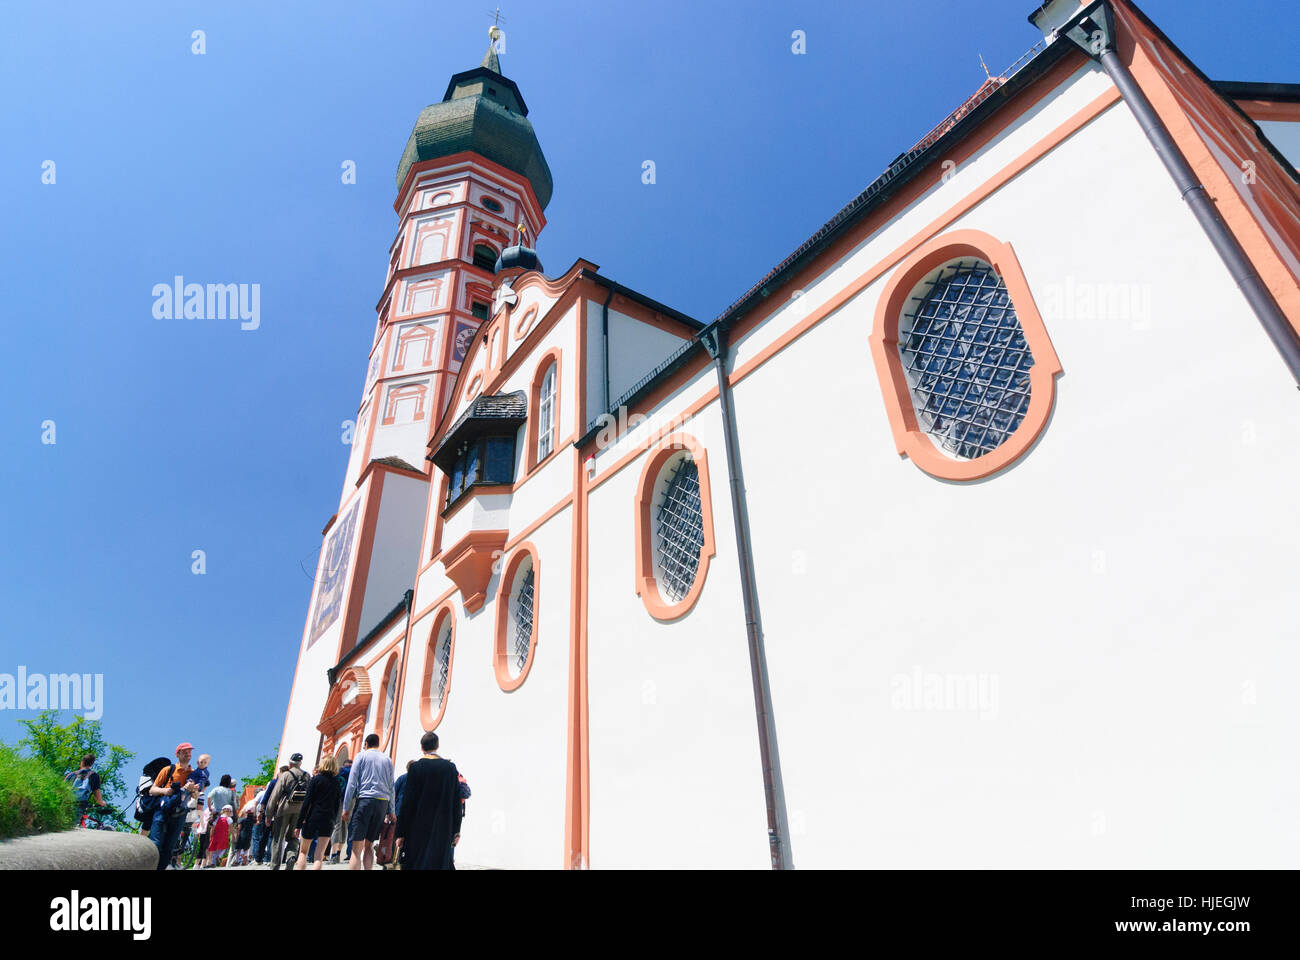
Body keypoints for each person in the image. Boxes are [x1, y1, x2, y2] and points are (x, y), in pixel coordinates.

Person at [395, 731, 463, 871]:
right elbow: (457, 801)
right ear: (437, 746)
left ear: (422, 747)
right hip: (443, 828)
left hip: (417, 828)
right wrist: (456, 830)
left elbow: (407, 803)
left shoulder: (415, 768)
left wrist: (400, 832)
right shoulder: (450, 768)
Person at [342, 734, 394, 871]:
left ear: (365, 744)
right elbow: (391, 787)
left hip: (364, 801)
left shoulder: (361, 756)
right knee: (369, 845)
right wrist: (391, 811)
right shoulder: (387, 759)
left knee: (356, 848)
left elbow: (352, 783)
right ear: (378, 743)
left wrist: (346, 807)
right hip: (382, 803)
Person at [148, 742, 199, 870]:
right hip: (163, 810)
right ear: (178, 754)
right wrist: (166, 791)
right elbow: (152, 790)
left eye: (190, 752)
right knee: (156, 844)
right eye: (185, 752)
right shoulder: (168, 770)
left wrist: (193, 790)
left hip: (180, 813)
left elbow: (196, 796)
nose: (188, 754)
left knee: (169, 848)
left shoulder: (193, 774)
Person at [293, 755, 341, 871]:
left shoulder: (316, 780)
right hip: (328, 819)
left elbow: (307, 802)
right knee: (319, 855)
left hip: (313, 817)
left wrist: (299, 824)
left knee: (303, 852)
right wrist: (333, 820)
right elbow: (337, 805)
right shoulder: (337, 783)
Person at [265, 754, 310, 871]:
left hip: (284, 809)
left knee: (277, 839)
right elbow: (310, 797)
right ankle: (291, 856)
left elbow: (275, 795)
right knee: (293, 836)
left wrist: (268, 814)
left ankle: (275, 866)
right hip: (300, 811)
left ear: (290, 763)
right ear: (300, 763)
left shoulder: (286, 775)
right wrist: (306, 814)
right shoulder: (307, 776)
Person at [64, 753, 104, 826]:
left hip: (67, 802)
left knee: (63, 823)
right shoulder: (94, 775)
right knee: (71, 827)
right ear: (92, 764)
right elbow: (97, 793)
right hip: (80, 803)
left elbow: (61, 790)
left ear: (82, 762)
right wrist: (102, 803)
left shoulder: (71, 775)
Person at [328, 758, 352, 864]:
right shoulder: (354, 772)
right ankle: (339, 852)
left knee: (337, 826)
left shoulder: (338, 772)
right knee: (346, 827)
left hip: (338, 800)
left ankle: (333, 854)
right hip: (351, 801)